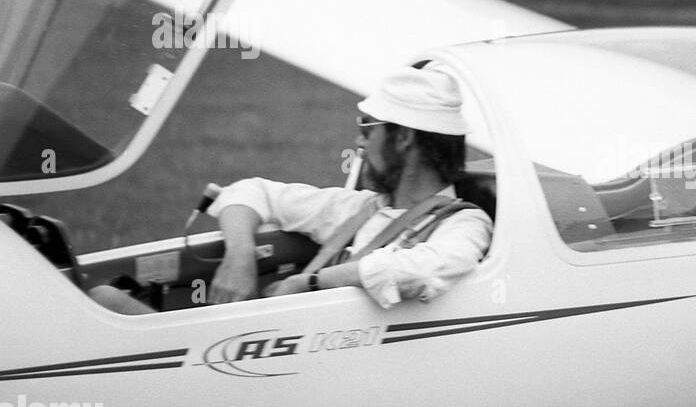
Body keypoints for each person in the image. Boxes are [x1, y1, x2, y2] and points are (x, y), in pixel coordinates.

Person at [89, 65, 493, 314]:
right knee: (106, 298)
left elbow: (422, 270)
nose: (359, 143)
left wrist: (310, 282)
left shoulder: (465, 223)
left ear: (404, 138)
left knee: (106, 303)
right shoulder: (359, 208)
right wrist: (240, 257)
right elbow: (251, 192)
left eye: (367, 129)